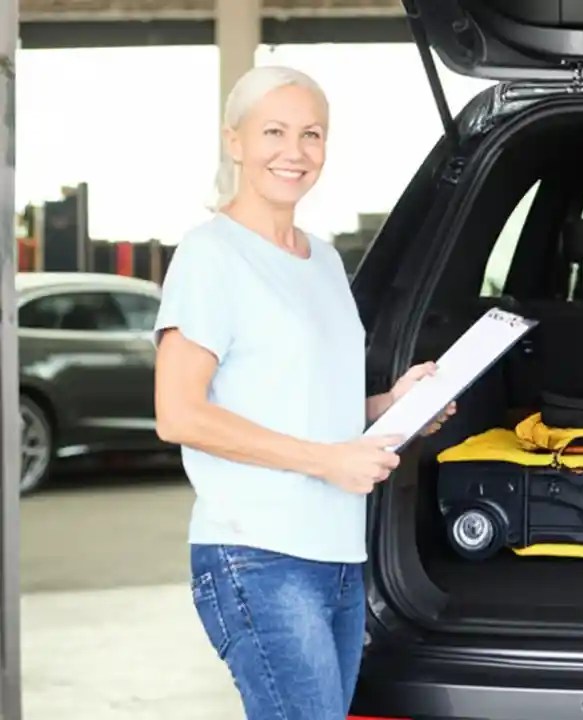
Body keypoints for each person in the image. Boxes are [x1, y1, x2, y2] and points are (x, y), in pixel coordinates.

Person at [152, 65, 454, 719]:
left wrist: (392, 408)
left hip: (339, 555)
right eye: (275, 131)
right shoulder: (211, 256)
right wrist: (328, 462)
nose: (295, 152)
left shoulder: (320, 260)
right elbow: (178, 414)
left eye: (312, 134)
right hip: (258, 555)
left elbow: (307, 399)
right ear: (235, 142)